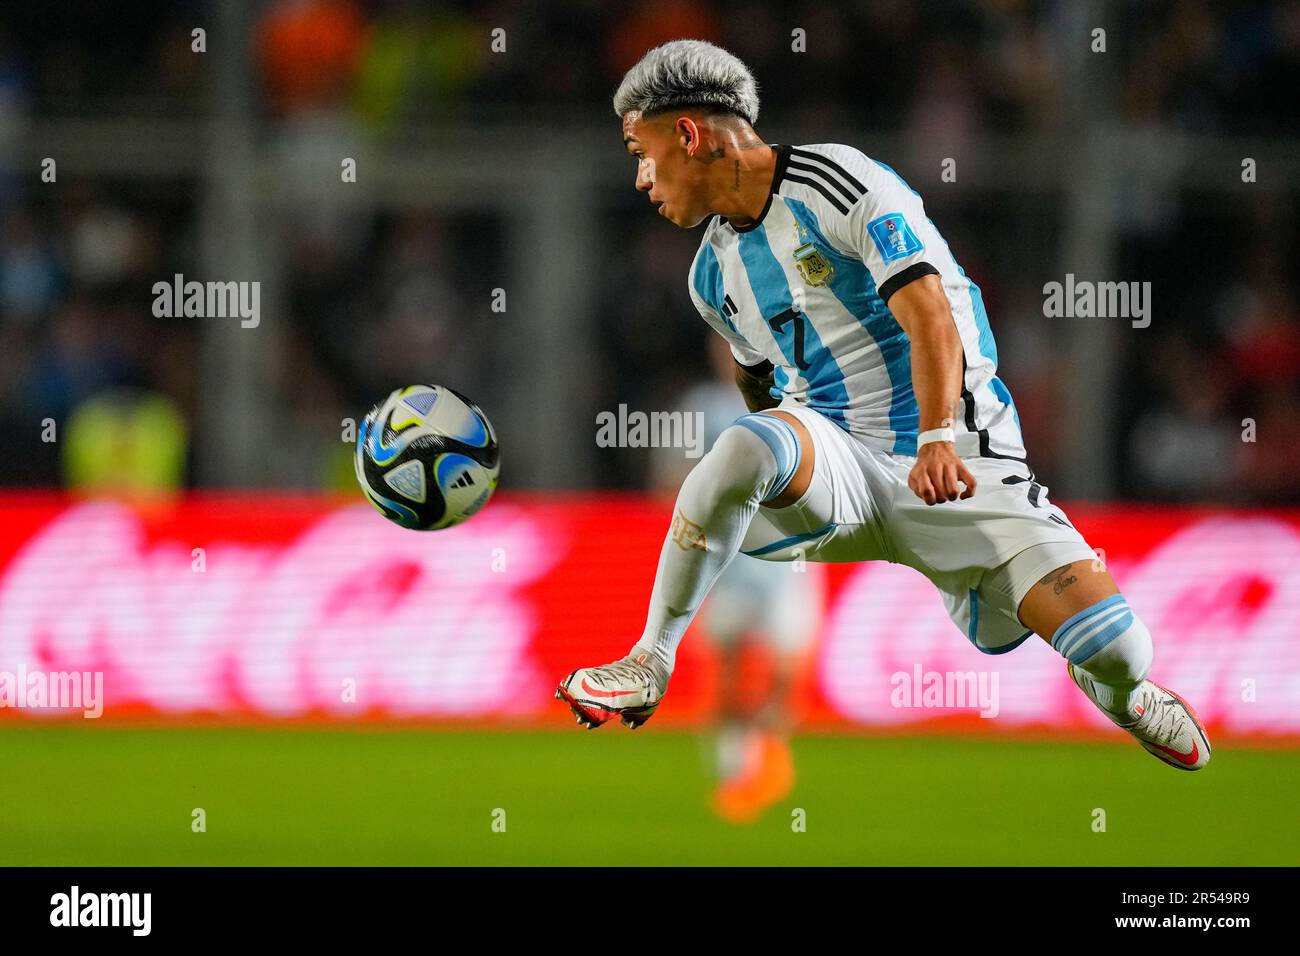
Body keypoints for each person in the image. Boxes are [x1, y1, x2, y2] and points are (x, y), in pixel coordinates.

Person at [557, 40, 1210, 772]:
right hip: (841, 464)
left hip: (958, 461)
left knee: (1117, 650)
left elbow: (928, 310)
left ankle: (1126, 700)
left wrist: (936, 437)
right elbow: (757, 384)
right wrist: (772, 458)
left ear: (687, 134)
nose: (641, 178)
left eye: (639, 151)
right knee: (739, 447)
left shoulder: (838, 181)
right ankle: (650, 661)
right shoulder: (712, 276)